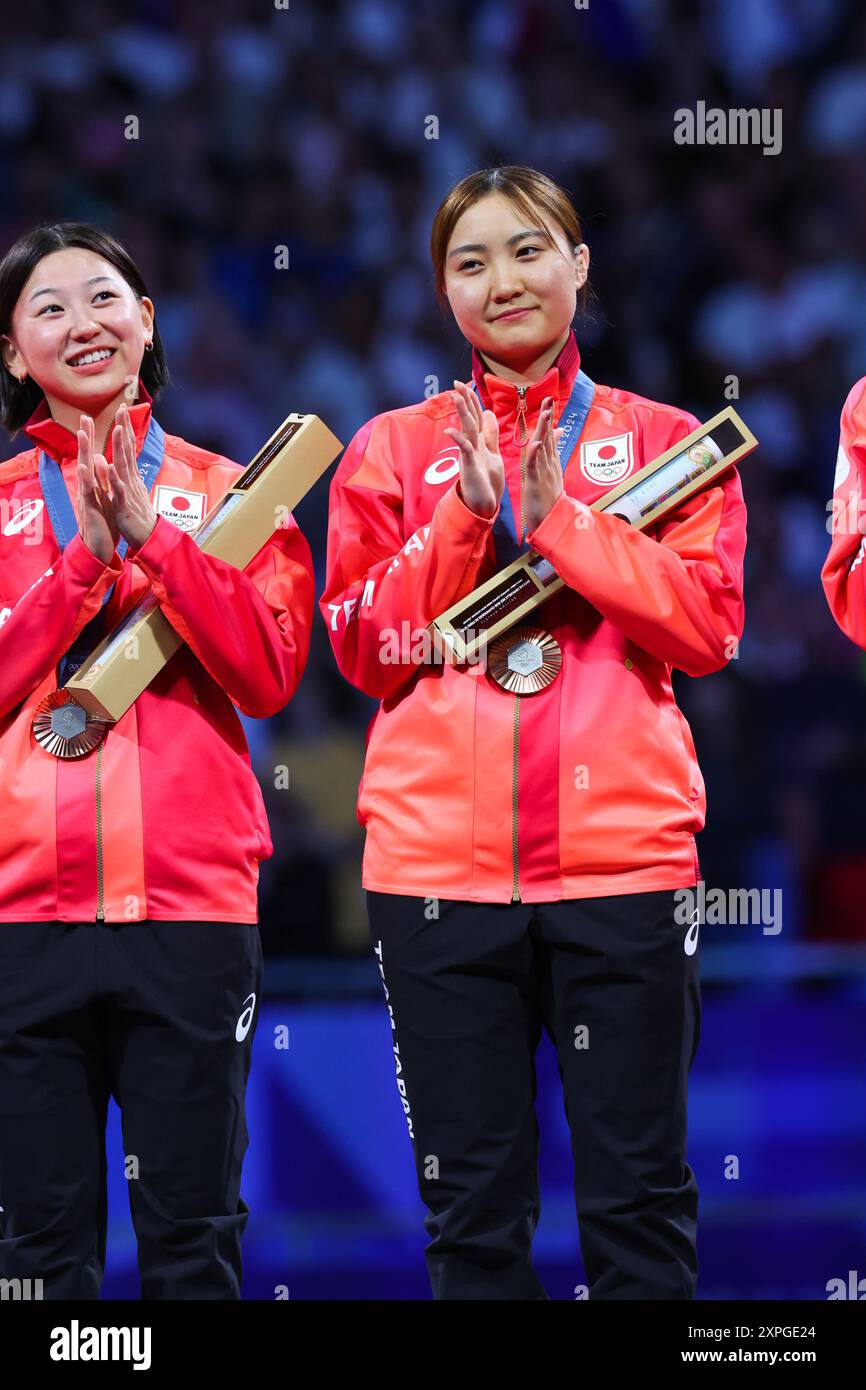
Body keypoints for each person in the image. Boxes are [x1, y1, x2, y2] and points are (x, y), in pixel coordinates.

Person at [320, 166, 748, 1299]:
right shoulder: (390, 450)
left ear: (577, 265)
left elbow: (704, 630)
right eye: (468, 263)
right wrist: (461, 514)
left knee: (639, 1202)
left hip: (622, 869)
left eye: (525, 250)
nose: (500, 280)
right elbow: (363, 650)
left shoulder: (664, 443)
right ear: (442, 291)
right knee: (470, 1213)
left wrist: (559, 518)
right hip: (435, 880)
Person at [0, 221, 315, 1299]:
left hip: (187, 912)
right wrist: (84, 560)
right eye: (48, 308)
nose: (81, 322)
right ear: (11, 353)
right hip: (16, 922)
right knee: (38, 1258)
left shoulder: (238, 494)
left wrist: (161, 544)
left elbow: (270, 671)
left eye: (104, 297)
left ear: (147, 322)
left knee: (192, 1242)